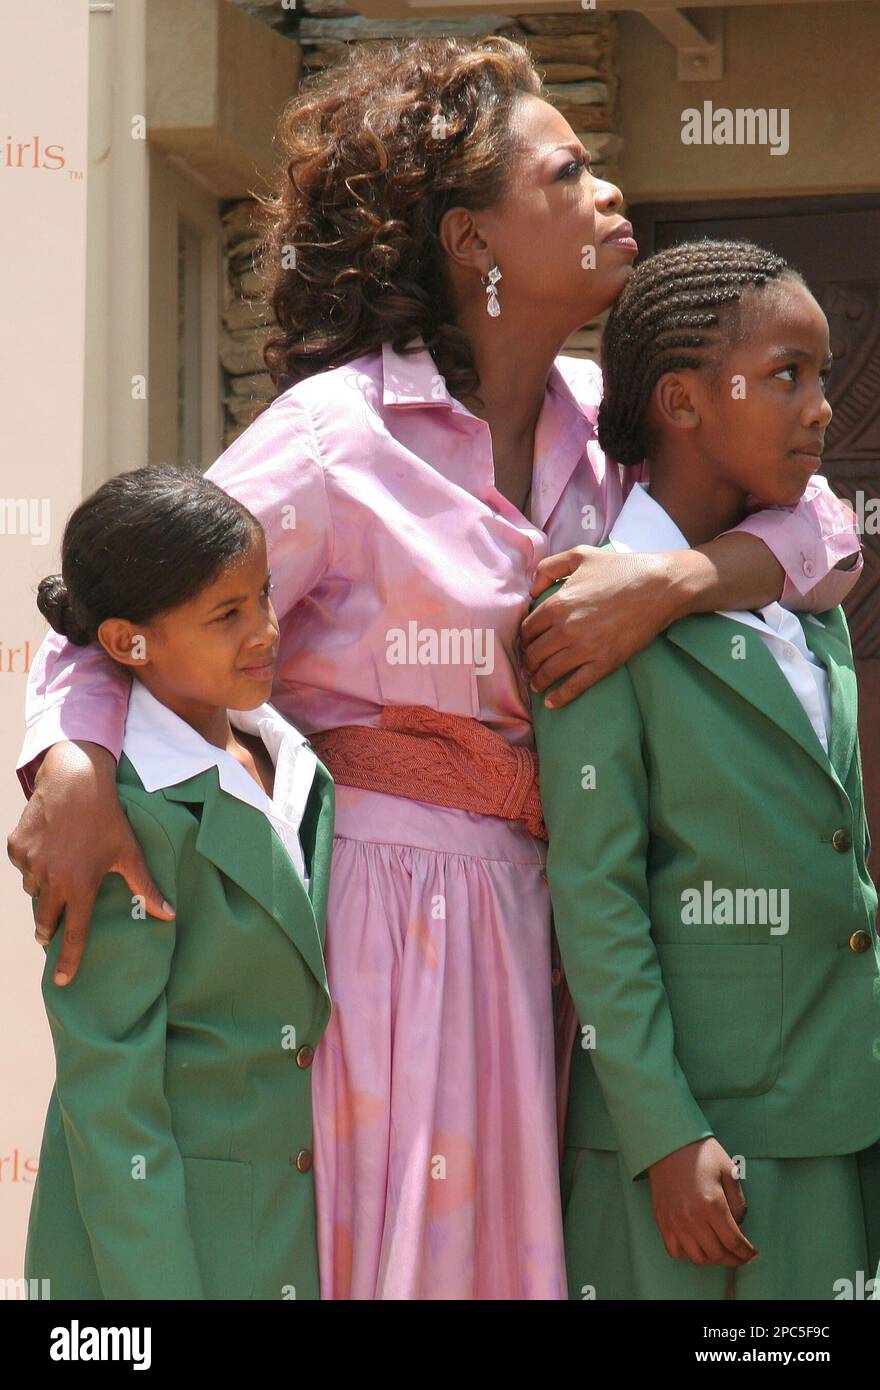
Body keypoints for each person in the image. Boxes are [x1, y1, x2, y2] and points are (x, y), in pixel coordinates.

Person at [9, 39, 862, 1300]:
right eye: (566, 173)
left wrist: (674, 581)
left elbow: (823, 533)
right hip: (377, 930)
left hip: (550, 928)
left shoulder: (610, 441)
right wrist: (68, 759)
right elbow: (125, 611)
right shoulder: (335, 437)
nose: (606, 193)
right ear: (472, 239)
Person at [531, 239, 880, 1300]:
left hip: (833, 1115)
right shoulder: (593, 617)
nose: (820, 406)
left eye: (823, 376)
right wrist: (661, 1132)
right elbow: (596, 897)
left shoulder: (797, 595)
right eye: (787, 375)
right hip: (688, 1150)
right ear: (681, 402)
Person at [24, 466, 334, 1300]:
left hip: (293, 1234)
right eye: (226, 614)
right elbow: (109, 1094)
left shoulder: (293, 756)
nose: (266, 629)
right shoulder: (121, 823)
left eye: (263, 596)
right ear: (128, 642)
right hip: (167, 1254)